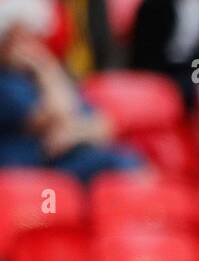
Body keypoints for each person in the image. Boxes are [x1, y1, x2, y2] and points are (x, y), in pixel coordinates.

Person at [0, 5, 142, 181]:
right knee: (117, 164)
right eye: (15, 38)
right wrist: (46, 68)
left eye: (29, 36)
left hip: (69, 157)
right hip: (33, 169)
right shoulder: (7, 83)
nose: (27, 46)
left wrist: (76, 133)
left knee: (128, 159)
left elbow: (104, 125)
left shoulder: (42, 78)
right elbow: (56, 114)